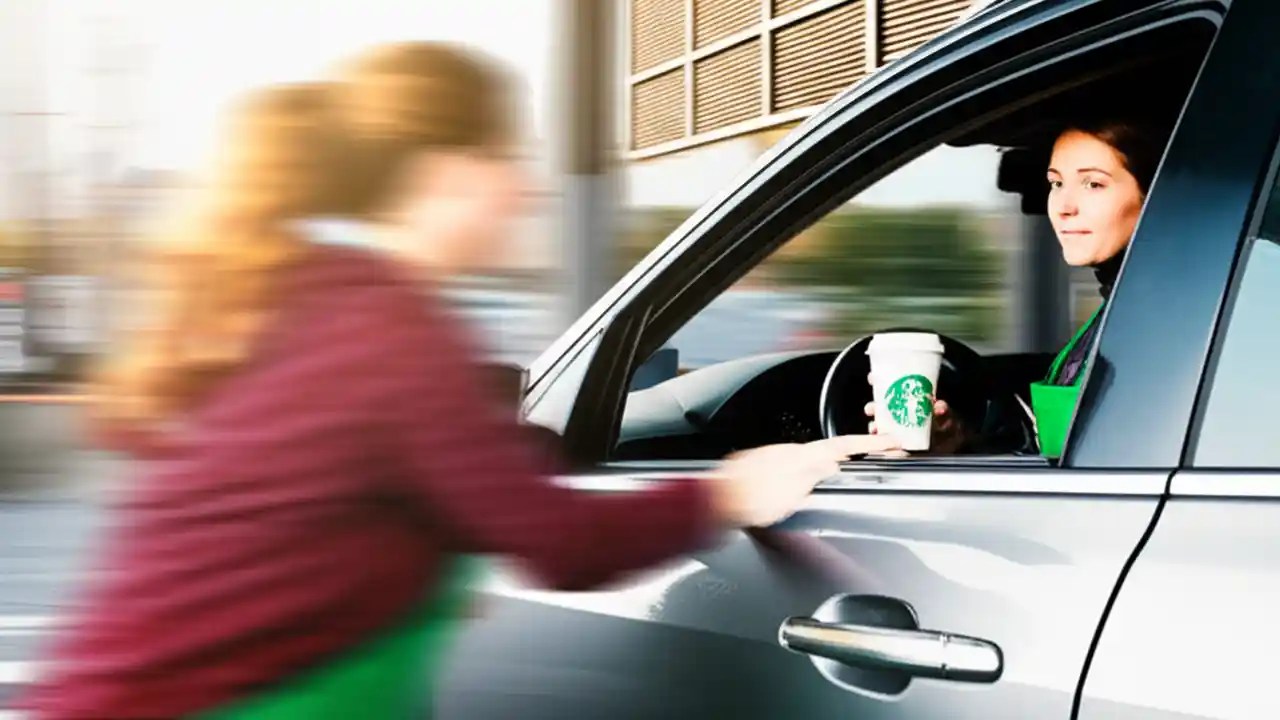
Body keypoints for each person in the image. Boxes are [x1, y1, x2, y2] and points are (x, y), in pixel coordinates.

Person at [17, 46, 897, 719]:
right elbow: (559, 540)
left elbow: (334, 506)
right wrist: (733, 487)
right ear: (442, 172)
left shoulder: (305, 296)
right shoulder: (383, 324)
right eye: (506, 158)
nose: (522, 190)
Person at [865, 117, 1168, 455]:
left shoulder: (1163, 321)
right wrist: (958, 444)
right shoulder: (1120, 310)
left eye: (1093, 184)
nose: (1064, 207)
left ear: (1153, 193)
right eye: (1056, 184)